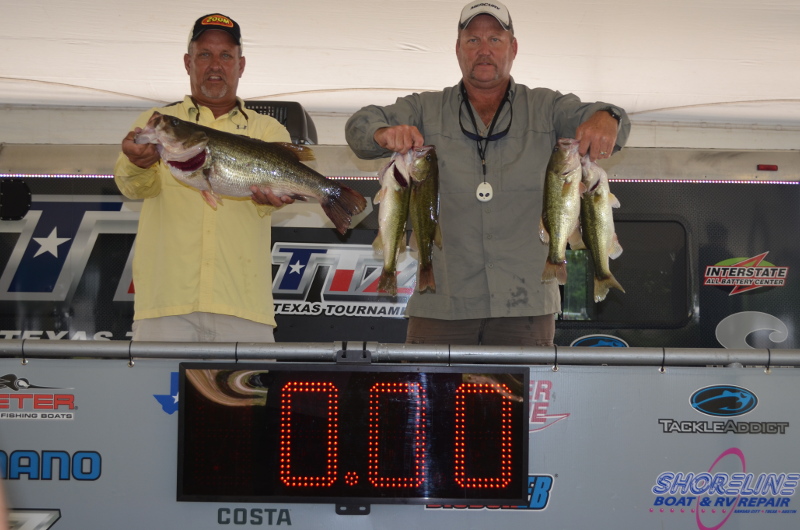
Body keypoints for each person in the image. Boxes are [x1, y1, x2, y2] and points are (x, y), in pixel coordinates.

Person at [345, 1, 631, 346]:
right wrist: (381, 133)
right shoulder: (424, 108)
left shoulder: (547, 107)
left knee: (522, 400)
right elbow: (359, 126)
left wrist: (608, 117)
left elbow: (614, 125)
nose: (484, 51)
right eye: (472, 41)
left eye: (495, 40)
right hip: (441, 304)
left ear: (513, 48)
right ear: (457, 49)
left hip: (526, 306)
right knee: (430, 400)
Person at [114, 13, 295, 342]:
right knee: (155, 394)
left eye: (226, 55)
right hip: (166, 305)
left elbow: (267, 206)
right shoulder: (159, 123)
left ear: (241, 65)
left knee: (242, 395)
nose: (215, 65)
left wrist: (273, 201)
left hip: (242, 307)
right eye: (205, 55)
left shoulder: (268, 130)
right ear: (188, 62)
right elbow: (133, 187)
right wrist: (138, 163)